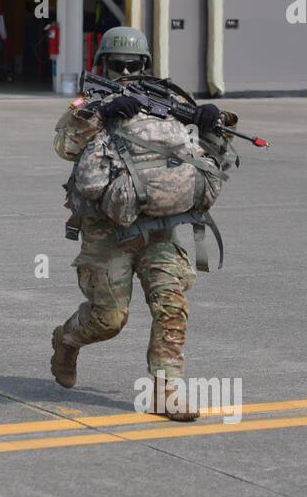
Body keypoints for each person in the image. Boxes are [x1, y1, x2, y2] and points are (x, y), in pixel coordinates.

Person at [50, 26, 236, 420]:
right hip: (106, 229)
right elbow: (64, 147)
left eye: (134, 64)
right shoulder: (90, 100)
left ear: (146, 64)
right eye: (118, 64)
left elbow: (202, 151)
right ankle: (67, 340)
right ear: (103, 64)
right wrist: (97, 115)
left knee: (171, 305)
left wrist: (208, 122)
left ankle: (165, 391)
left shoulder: (166, 99)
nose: (126, 71)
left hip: (160, 225)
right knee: (109, 319)